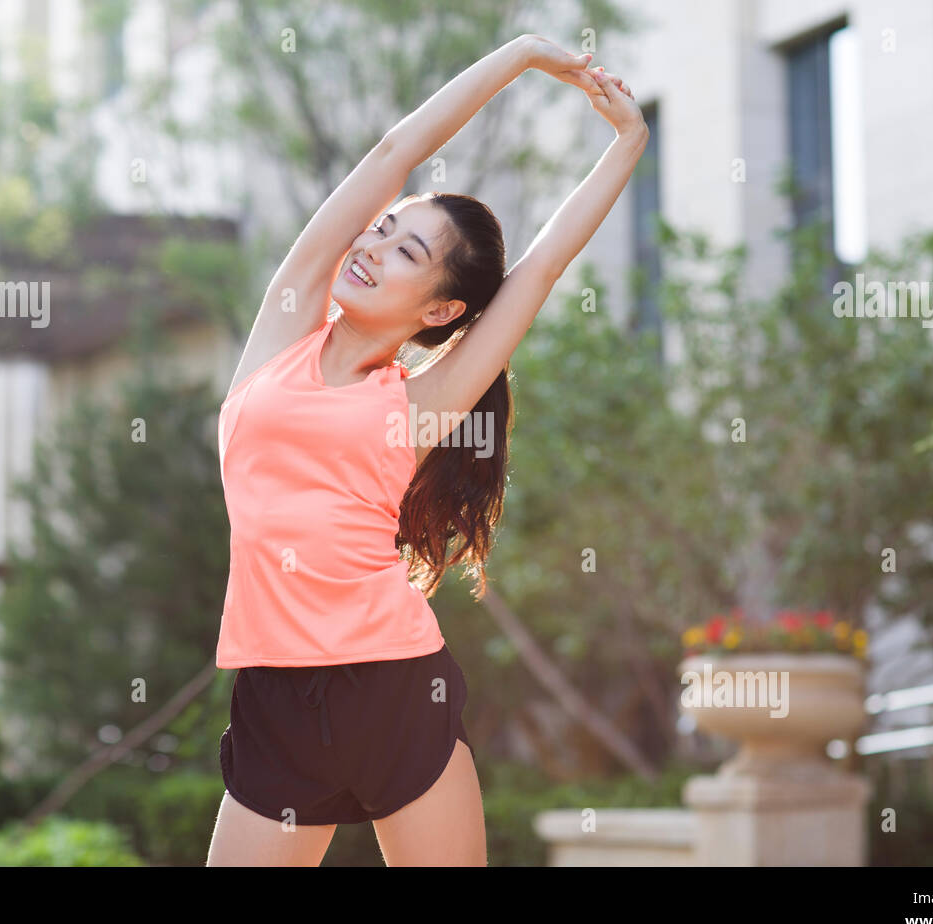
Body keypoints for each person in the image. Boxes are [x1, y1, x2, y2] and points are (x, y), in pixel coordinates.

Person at [206, 33, 647, 867]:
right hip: (275, 693)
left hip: (394, 686)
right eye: (382, 231)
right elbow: (393, 151)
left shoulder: (419, 407)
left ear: (441, 313)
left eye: (407, 252)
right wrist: (517, 55)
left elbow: (542, 269)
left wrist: (628, 142)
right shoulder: (283, 330)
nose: (371, 247)